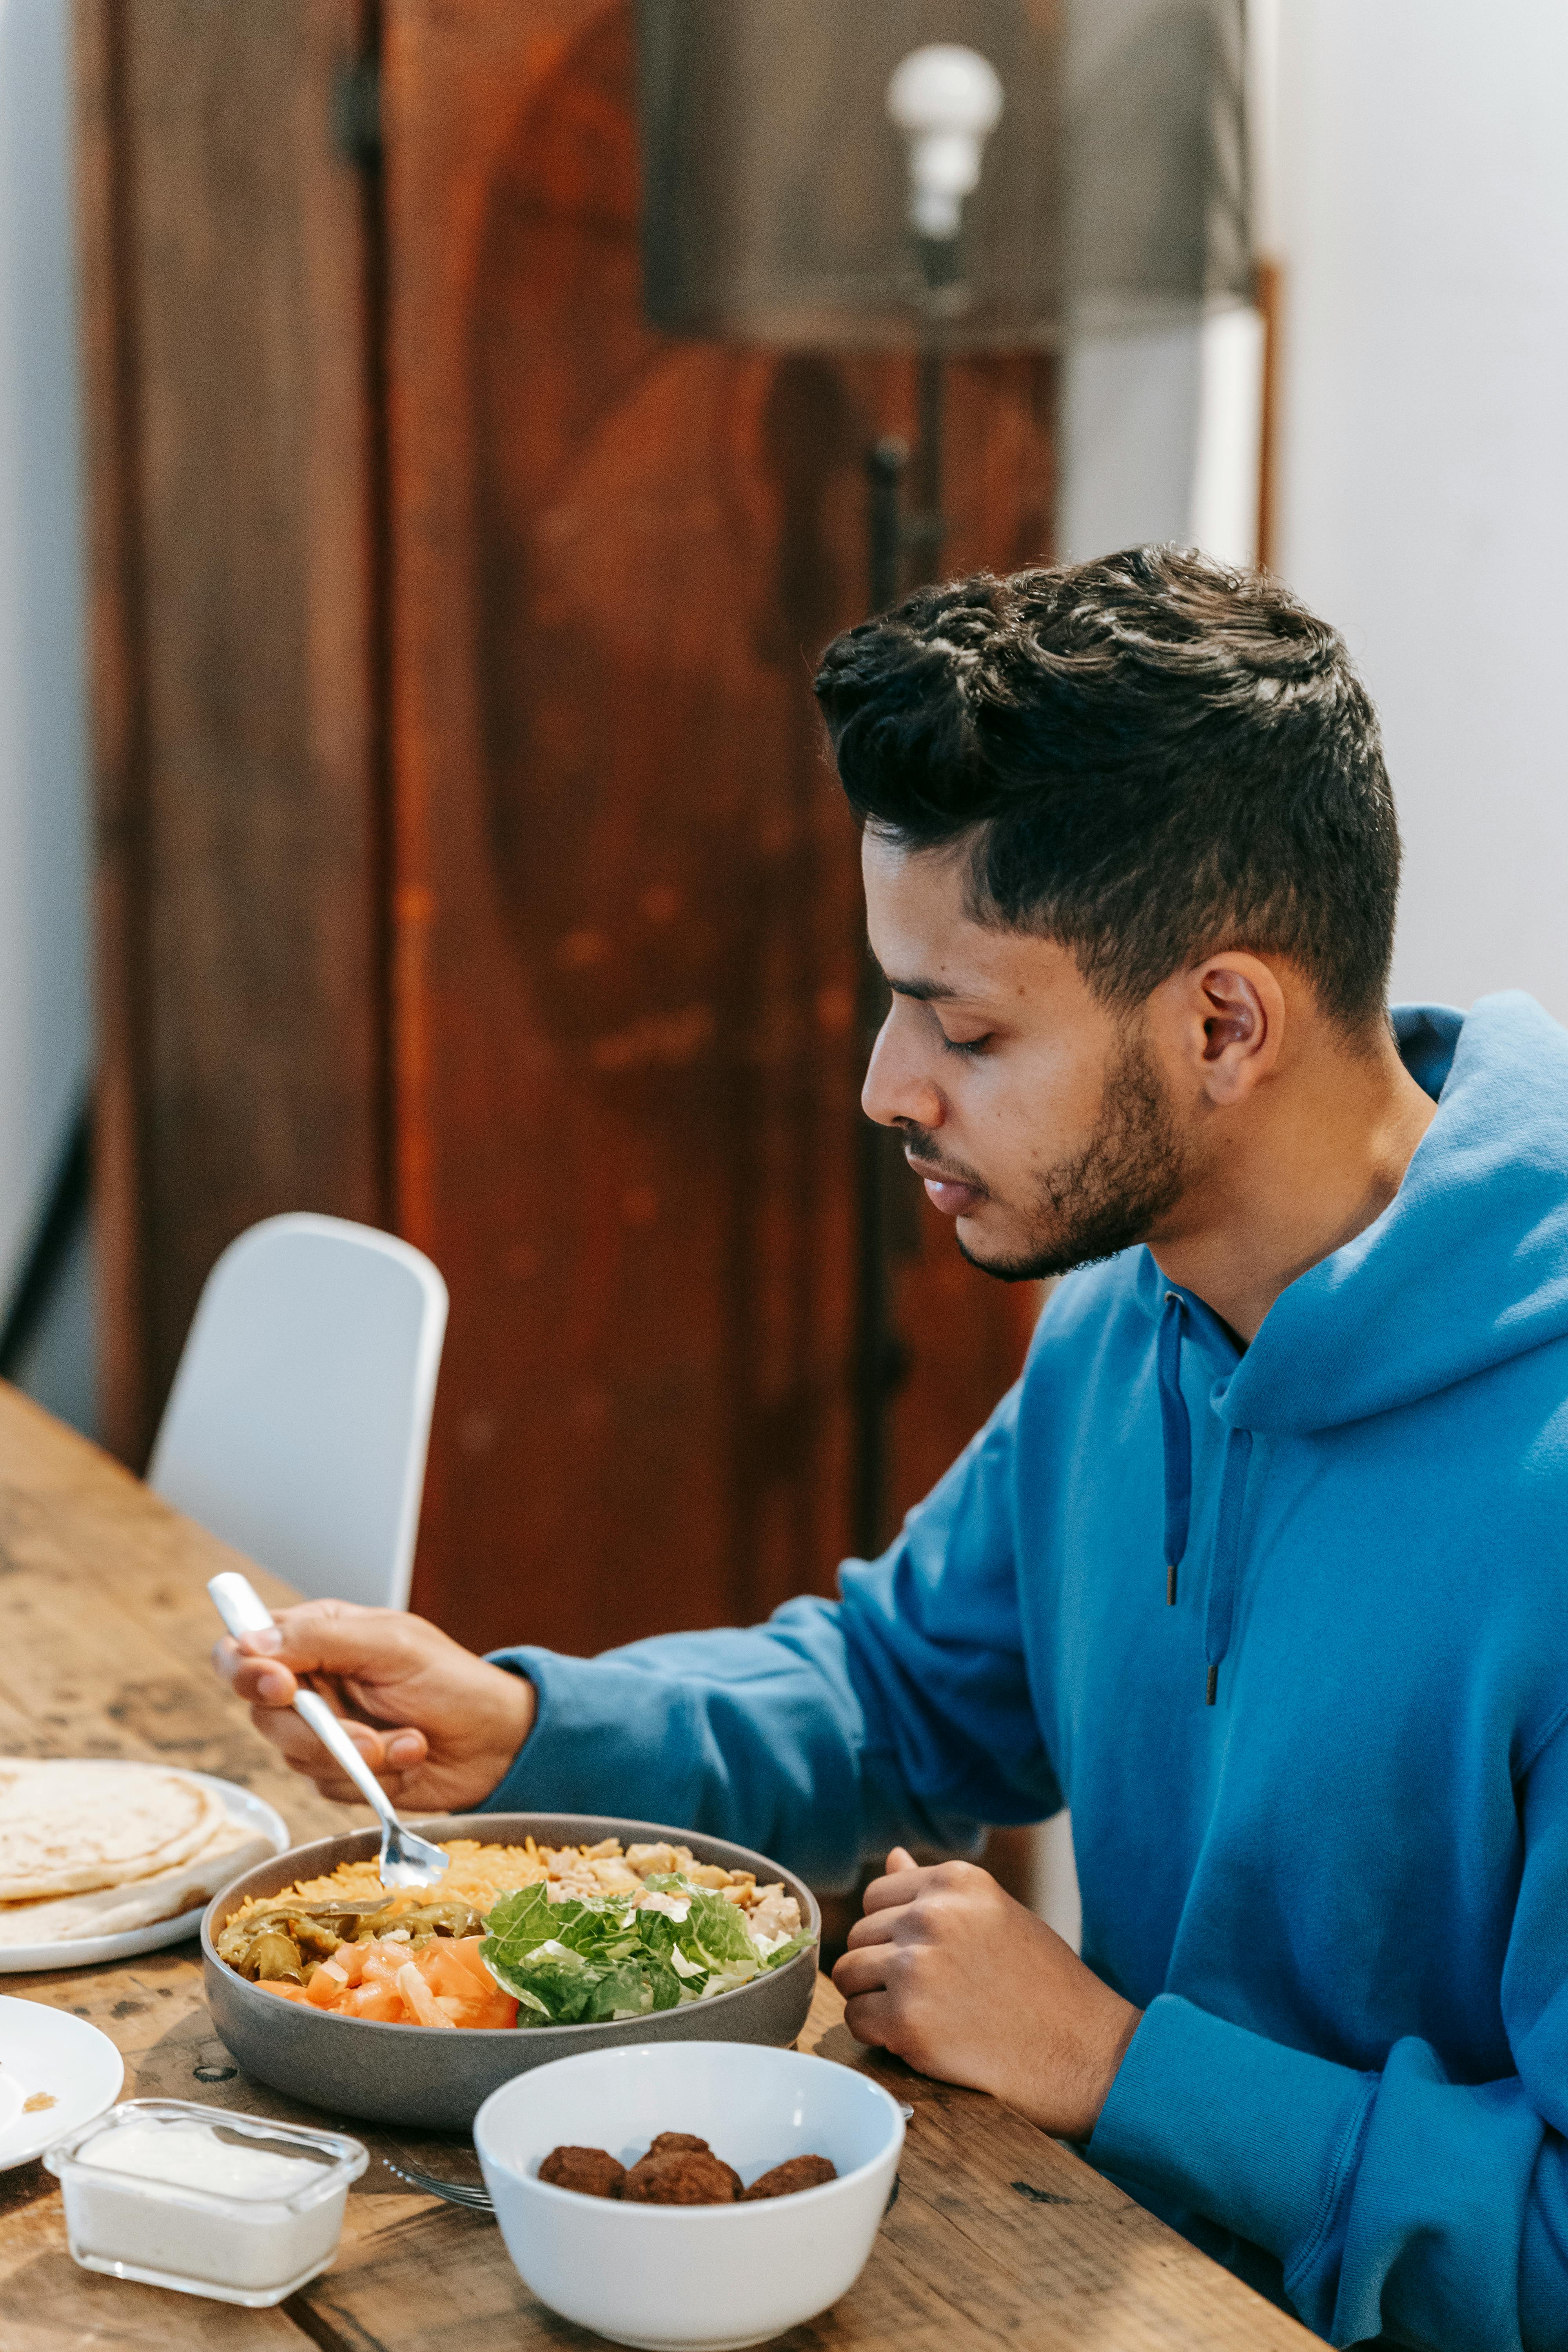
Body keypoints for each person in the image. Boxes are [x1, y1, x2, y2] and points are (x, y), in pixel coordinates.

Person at [215, 548, 1568, 2351]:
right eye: (895, 994)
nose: (885, 1085)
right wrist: (533, 1731)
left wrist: (1114, 2067)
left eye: (968, 1023)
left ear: (1221, 1022)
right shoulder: (1135, 1306)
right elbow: (906, 1696)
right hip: (1109, 2278)